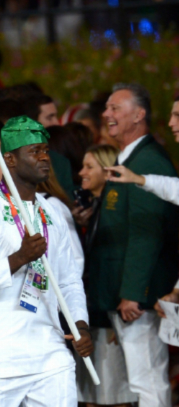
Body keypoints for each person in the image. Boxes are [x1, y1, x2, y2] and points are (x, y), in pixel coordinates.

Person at [0, 116, 93, 404]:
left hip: (50, 356)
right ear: (10, 160)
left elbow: (68, 279)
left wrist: (80, 323)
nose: (44, 158)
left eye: (45, 150)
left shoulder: (53, 212)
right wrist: (18, 258)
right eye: (35, 151)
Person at [91, 83, 179, 407]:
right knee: (141, 378)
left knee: (147, 378)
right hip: (131, 291)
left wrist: (133, 291)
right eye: (107, 108)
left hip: (139, 296)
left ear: (138, 115)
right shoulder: (131, 158)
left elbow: (147, 231)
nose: (106, 114)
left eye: (115, 108)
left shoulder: (148, 161)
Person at [74, 144, 139, 407]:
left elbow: (124, 261)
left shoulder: (117, 211)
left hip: (112, 315)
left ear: (107, 169)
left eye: (89, 167)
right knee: (94, 395)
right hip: (96, 313)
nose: (81, 173)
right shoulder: (96, 209)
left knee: (114, 396)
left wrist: (118, 317)